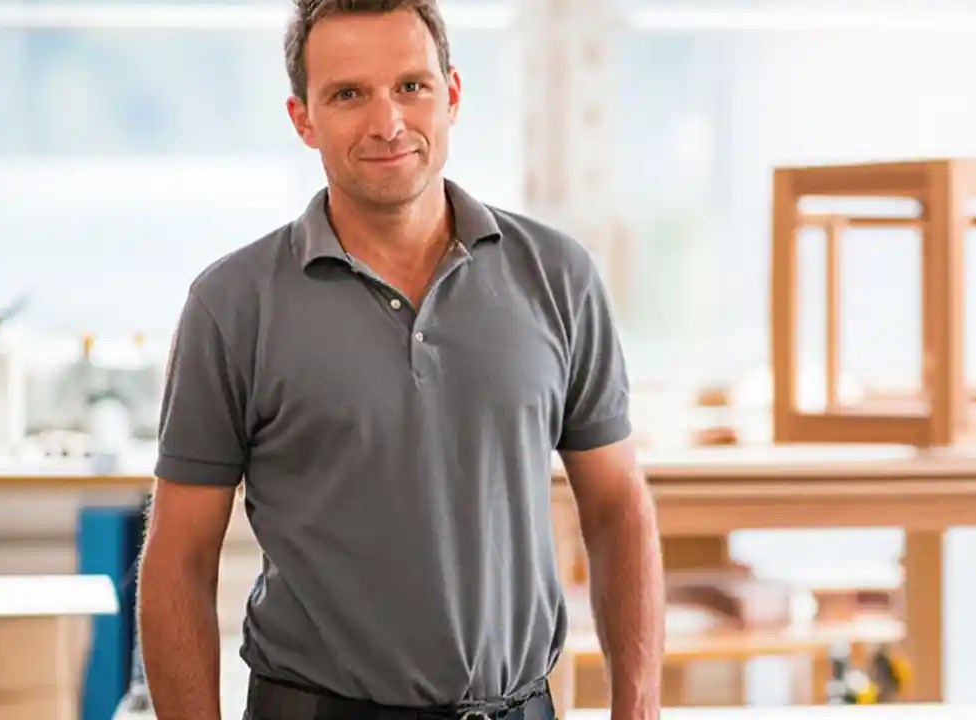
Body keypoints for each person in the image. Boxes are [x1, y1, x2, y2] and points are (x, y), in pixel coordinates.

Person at [135, 1, 665, 718]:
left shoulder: (556, 276)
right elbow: (177, 561)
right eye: (348, 94)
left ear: (451, 93)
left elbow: (617, 507)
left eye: (410, 86)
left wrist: (637, 709)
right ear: (303, 118)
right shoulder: (232, 304)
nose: (387, 123)